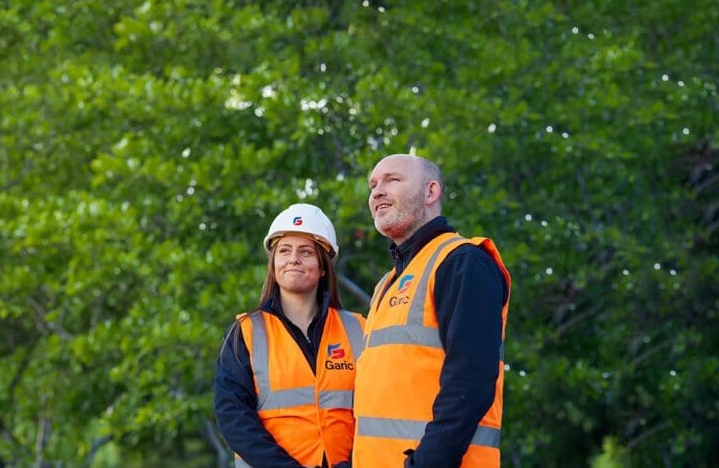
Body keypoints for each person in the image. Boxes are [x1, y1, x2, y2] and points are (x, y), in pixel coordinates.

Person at [352, 154, 512, 468]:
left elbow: (470, 384)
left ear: (430, 192)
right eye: (373, 186)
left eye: (392, 180)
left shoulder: (462, 262)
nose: (377, 192)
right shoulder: (388, 283)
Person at [214, 203, 365, 468]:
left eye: (305, 252)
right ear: (274, 266)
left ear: (322, 267)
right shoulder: (245, 334)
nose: (293, 258)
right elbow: (233, 417)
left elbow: (375, 406)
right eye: (284, 251)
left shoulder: (359, 329)